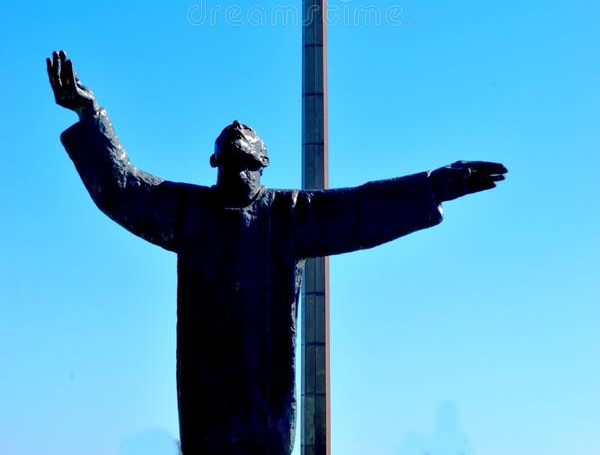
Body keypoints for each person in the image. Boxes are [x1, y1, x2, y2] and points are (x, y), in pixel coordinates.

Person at [47, 50, 507, 455]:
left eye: (247, 165)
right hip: (206, 414)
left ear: (263, 168)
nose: (238, 174)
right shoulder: (188, 211)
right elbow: (122, 188)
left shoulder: (289, 214)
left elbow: (361, 210)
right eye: (229, 164)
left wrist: (431, 188)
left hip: (265, 416)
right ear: (215, 166)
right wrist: (90, 117)